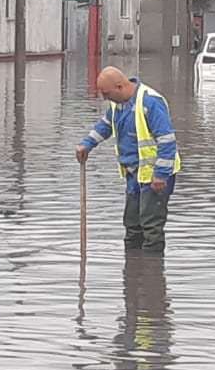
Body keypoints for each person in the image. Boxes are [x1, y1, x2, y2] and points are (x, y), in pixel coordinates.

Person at [75, 67, 181, 254]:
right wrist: (87, 144)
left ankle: (151, 272)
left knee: (151, 226)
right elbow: (105, 125)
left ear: (119, 87)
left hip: (155, 176)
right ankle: (132, 271)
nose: (105, 98)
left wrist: (160, 174)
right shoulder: (118, 104)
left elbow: (167, 141)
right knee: (132, 224)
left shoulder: (150, 102)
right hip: (134, 173)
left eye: (106, 94)